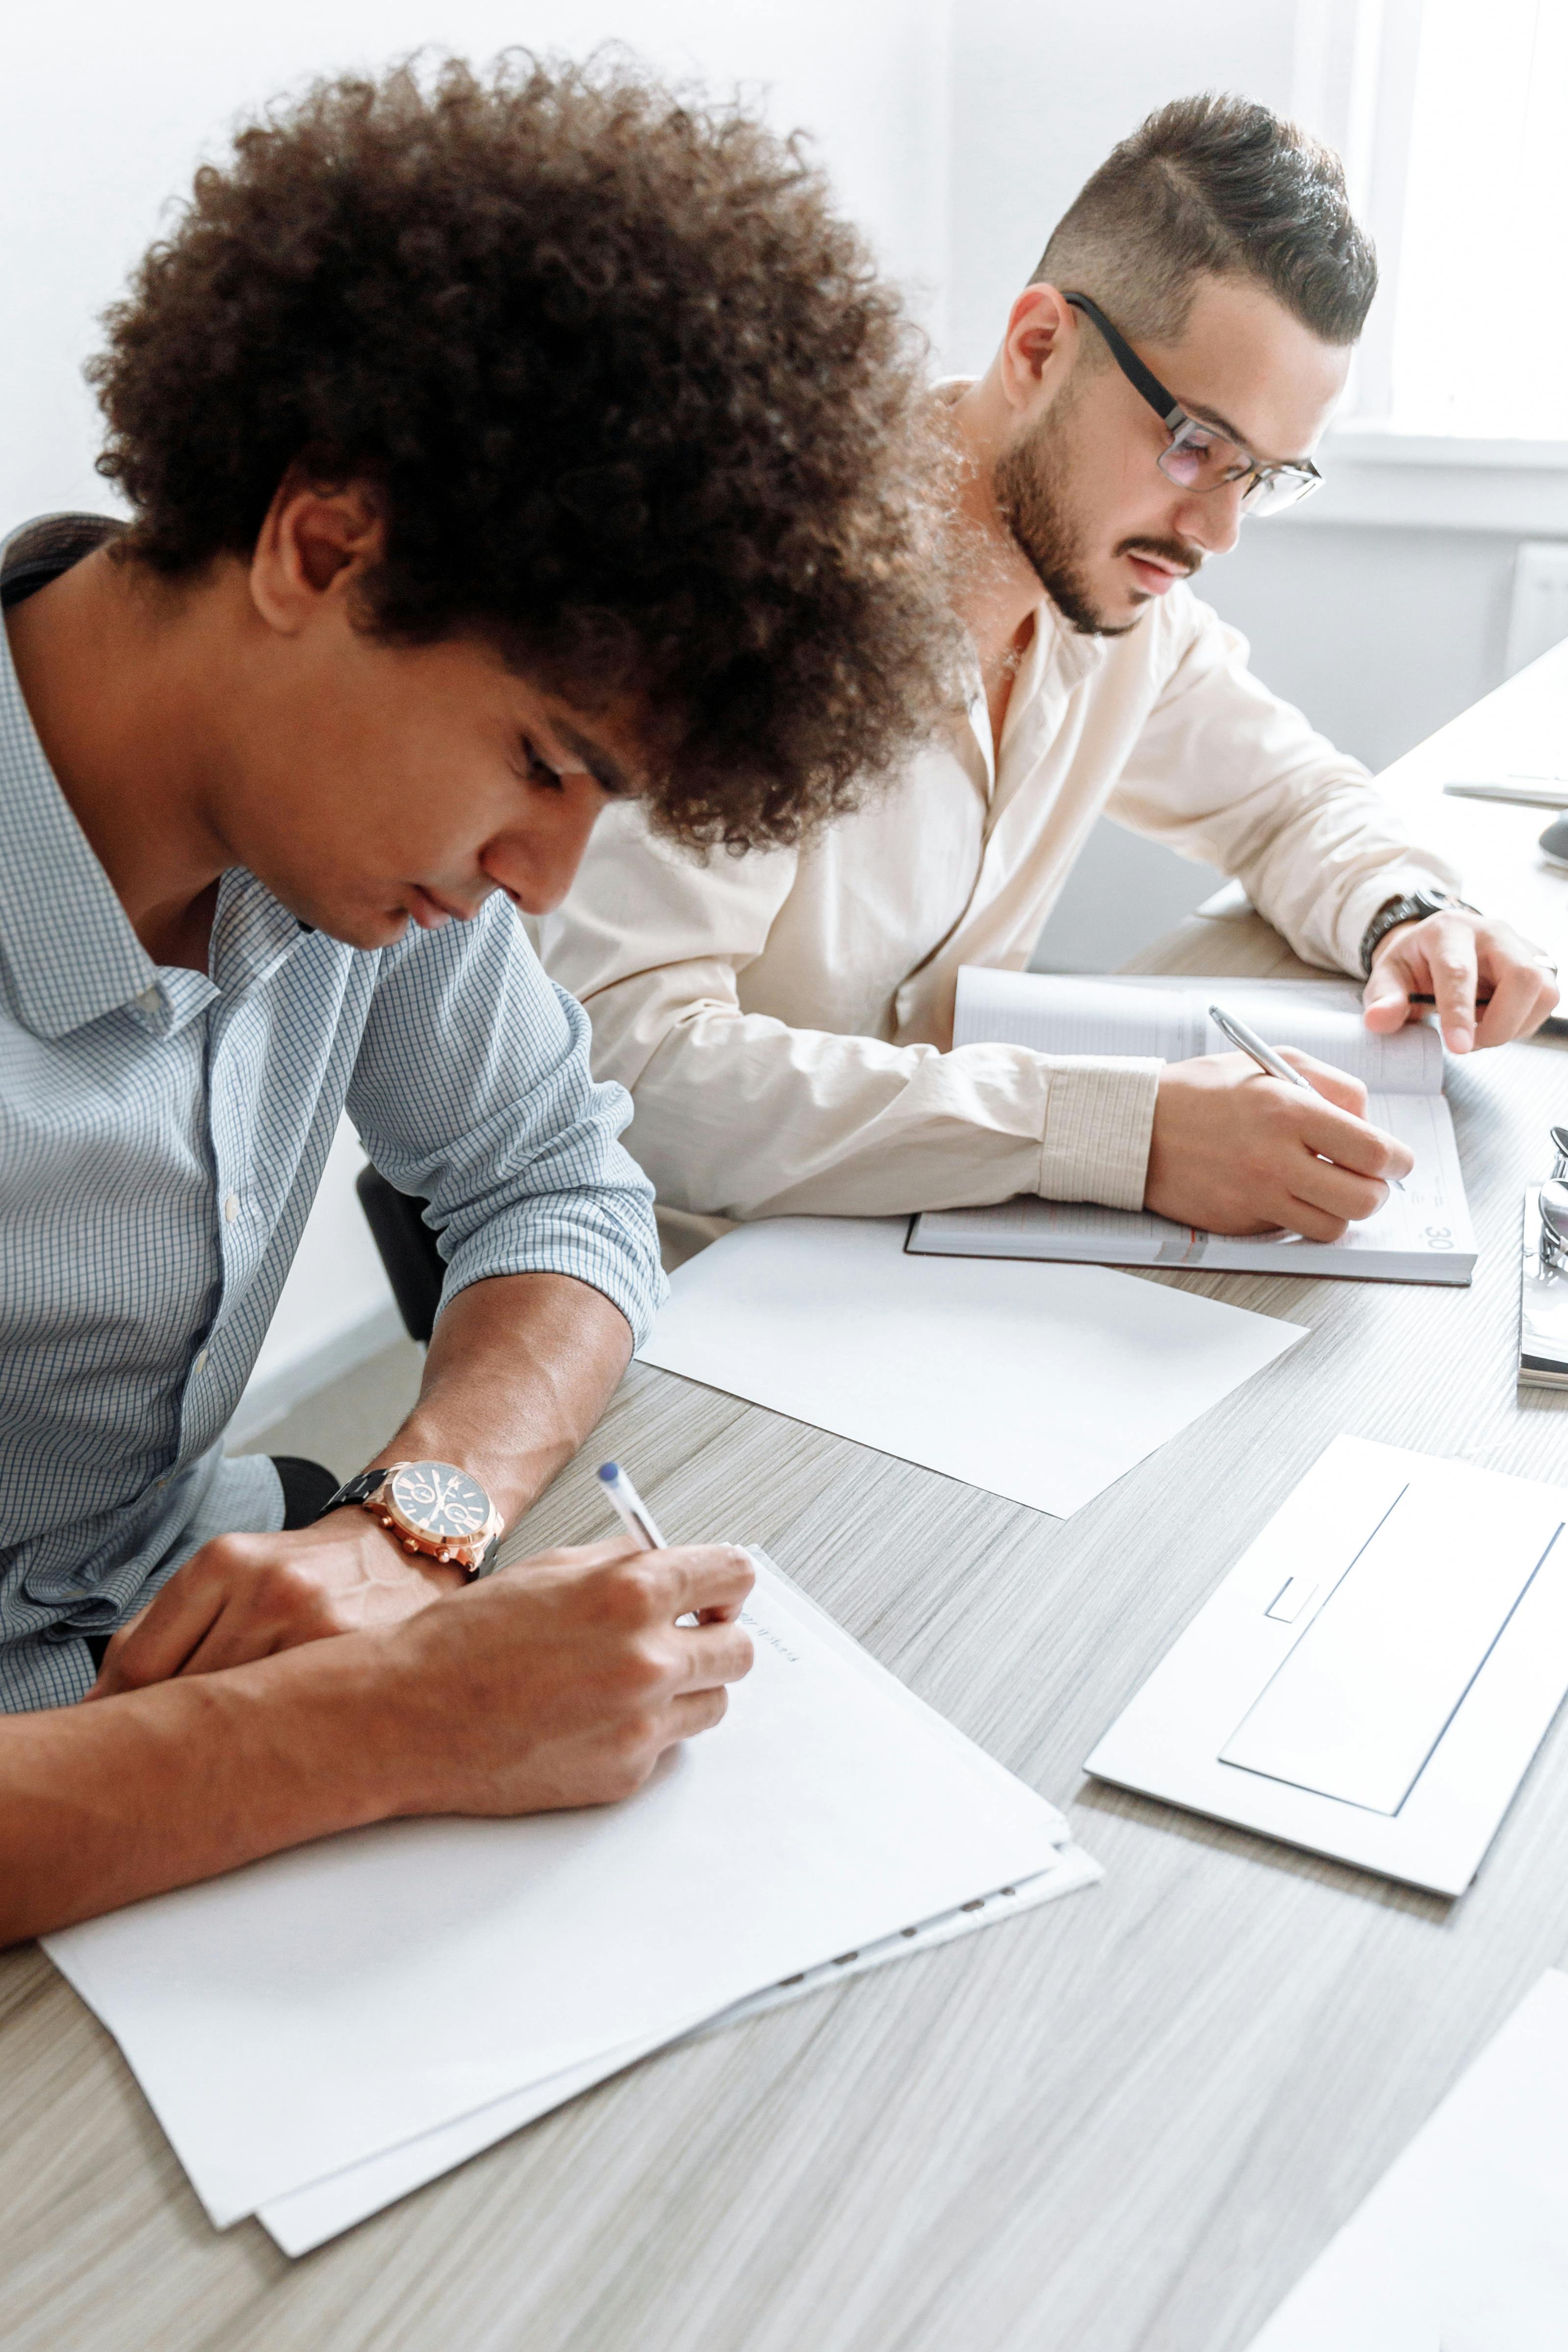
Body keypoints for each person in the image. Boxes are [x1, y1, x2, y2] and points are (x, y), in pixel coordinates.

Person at [0, 55, 956, 1943]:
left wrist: (415, 1518)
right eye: (540, 760)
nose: (544, 878)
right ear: (322, 548)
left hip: (163, 1636)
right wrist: (388, 1723)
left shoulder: (352, 855)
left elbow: (556, 1182)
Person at [537, 94, 1559, 1254]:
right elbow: (634, 1068)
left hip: (938, 1246)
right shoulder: (753, 597)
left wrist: (1411, 914)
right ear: (1038, 350)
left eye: (1263, 477)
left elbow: (1287, 801)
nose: (1219, 533)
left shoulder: (1114, 607)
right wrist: (1121, 1134)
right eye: (1196, 445)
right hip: (689, 1280)